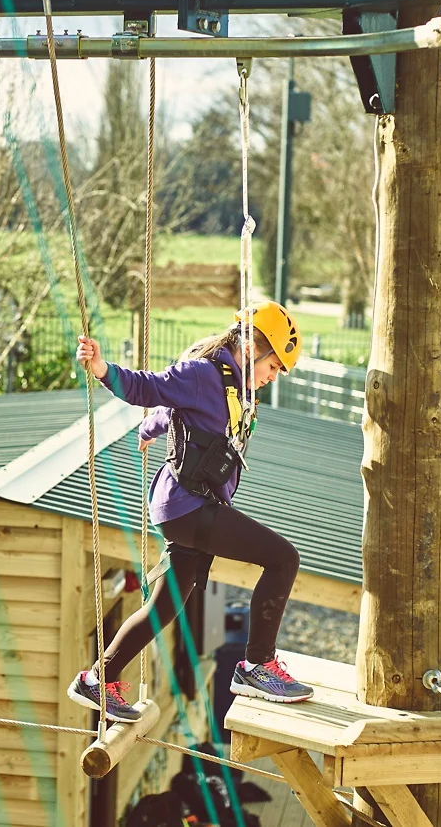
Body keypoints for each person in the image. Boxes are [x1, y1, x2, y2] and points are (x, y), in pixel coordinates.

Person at [66, 302, 313, 723]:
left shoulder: (234, 386)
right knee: (282, 557)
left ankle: (96, 679)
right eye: (273, 366)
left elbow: (173, 412)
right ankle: (257, 665)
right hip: (187, 505)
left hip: (193, 506)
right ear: (252, 346)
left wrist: (151, 430)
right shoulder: (202, 373)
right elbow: (152, 388)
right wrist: (104, 369)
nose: (272, 378)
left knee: (165, 606)